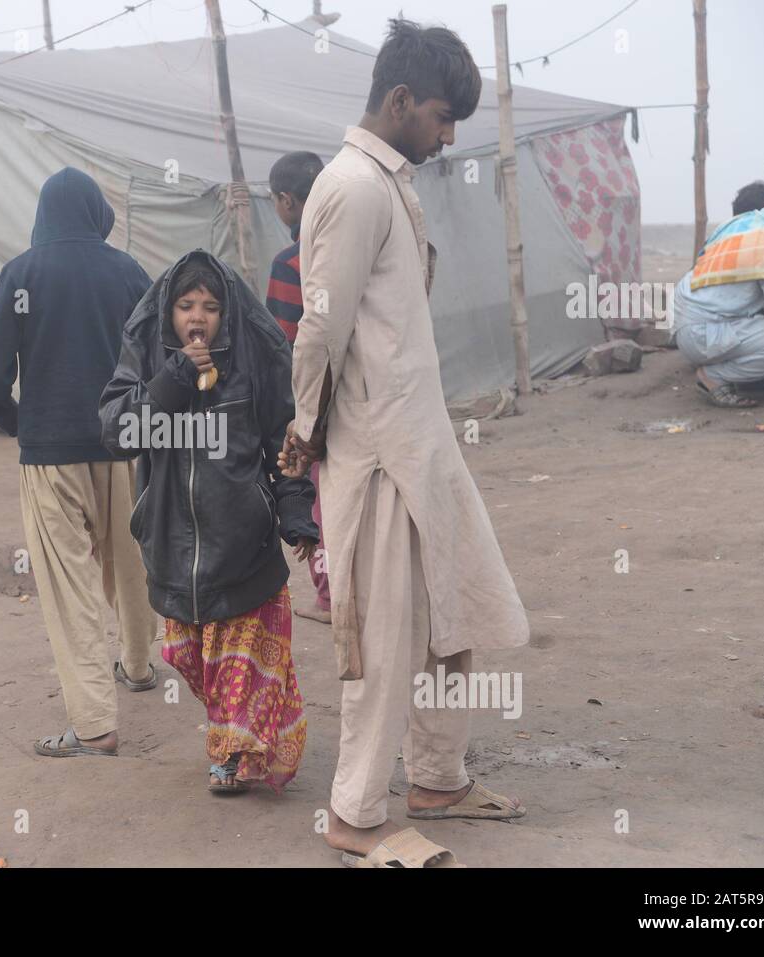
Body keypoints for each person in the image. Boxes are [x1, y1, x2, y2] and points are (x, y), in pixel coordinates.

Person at [280, 18, 529, 868]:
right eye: (440, 115)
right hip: (380, 452)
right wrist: (303, 426)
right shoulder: (351, 186)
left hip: (423, 445)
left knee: (450, 616)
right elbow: (321, 327)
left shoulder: (388, 182)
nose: (447, 133)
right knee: (386, 638)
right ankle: (353, 812)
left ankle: (437, 777)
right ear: (397, 101)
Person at [100, 251, 319, 793]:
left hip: (244, 548)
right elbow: (119, 431)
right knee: (189, 656)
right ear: (169, 313)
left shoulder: (249, 367)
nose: (197, 317)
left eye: (211, 306)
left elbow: (282, 442)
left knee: (238, 663)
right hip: (172, 552)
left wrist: (294, 509)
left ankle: (232, 754)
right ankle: (236, 735)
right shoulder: (151, 363)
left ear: (227, 315)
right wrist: (172, 379)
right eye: (186, 305)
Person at [0, 167, 157, 758]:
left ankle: (96, 723)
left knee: (69, 584)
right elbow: (161, 358)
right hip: (121, 448)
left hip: (51, 453)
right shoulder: (127, 271)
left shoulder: (21, 273)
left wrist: (23, 426)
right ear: (95, 213)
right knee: (130, 562)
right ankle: (138, 666)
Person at [673, 177, 764, 408]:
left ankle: (758, 377)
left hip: (693, 322)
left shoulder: (747, 222)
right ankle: (714, 377)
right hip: (703, 332)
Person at [267, 151, 331, 624]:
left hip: (314, 403)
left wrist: (291, 418)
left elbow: (284, 346)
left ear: (287, 201)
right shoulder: (350, 246)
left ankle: (330, 596)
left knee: (317, 498)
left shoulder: (292, 262)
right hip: (369, 396)